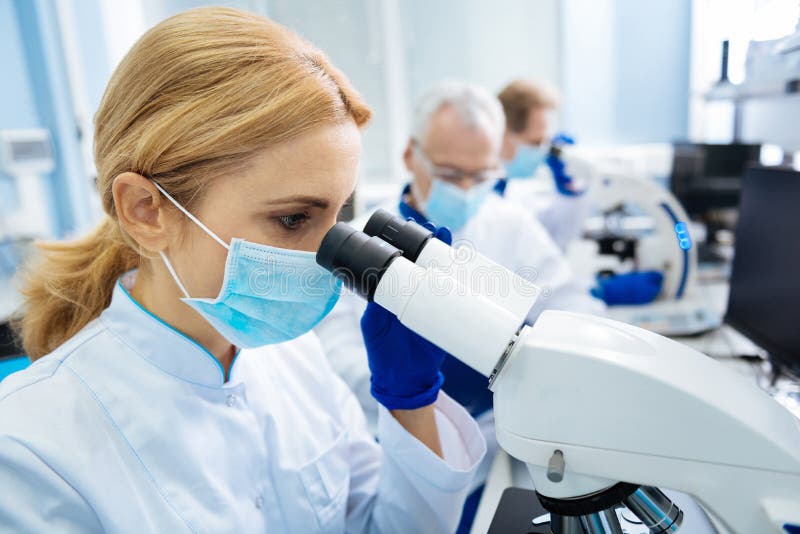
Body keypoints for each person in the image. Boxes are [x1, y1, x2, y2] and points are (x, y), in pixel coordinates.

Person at [0, 9, 485, 532]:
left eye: (340, 213)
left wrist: (411, 400)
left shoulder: (297, 359)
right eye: (293, 218)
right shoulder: (32, 448)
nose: (330, 252)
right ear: (147, 210)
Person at [314, 80, 604, 530]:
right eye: (451, 175)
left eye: (483, 175)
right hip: (401, 448)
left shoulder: (510, 224)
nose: (468, 189)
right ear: (411, 157)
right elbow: (335, 358)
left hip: (501, 442)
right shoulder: (363, 245)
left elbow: (575, 308)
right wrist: (426, 390)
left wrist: (523, 357)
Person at [497, 79, 595, 251]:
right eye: (535, 142)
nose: (542, 152)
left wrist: (570, 192)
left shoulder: (519, 191)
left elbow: (554, 243)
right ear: (503, 131)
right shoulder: (471, 194)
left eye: (546, 142)